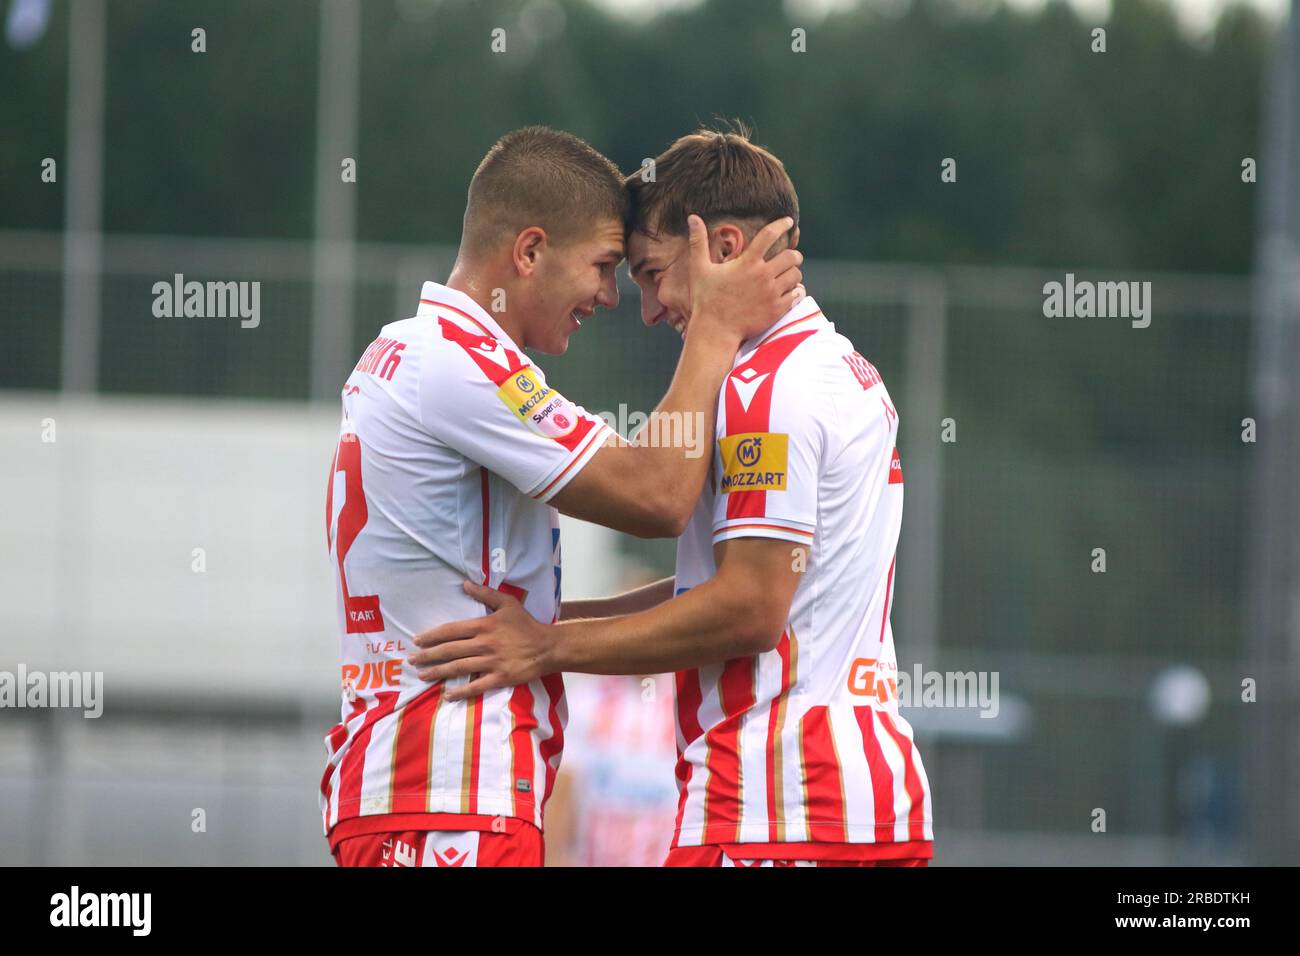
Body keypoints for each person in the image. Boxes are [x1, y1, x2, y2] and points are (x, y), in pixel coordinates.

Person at [411, 127, 934, 867]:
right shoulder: (845, 368)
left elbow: (750, 609)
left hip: (773, 804)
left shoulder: (765, 389)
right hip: (864, 801)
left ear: (722, 248)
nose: (649, 308)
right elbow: (720, 587)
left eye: (653, 273)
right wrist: (542, 623)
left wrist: (552, 645)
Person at [321, 125, 802, 867]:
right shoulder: (461, 364)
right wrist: (716, 325)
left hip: (430, 790)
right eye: (606, 267)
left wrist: (555, 634)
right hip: (449, 795)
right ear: (530, 252)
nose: (611, 297)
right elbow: (657, 495)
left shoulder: (410, 351)